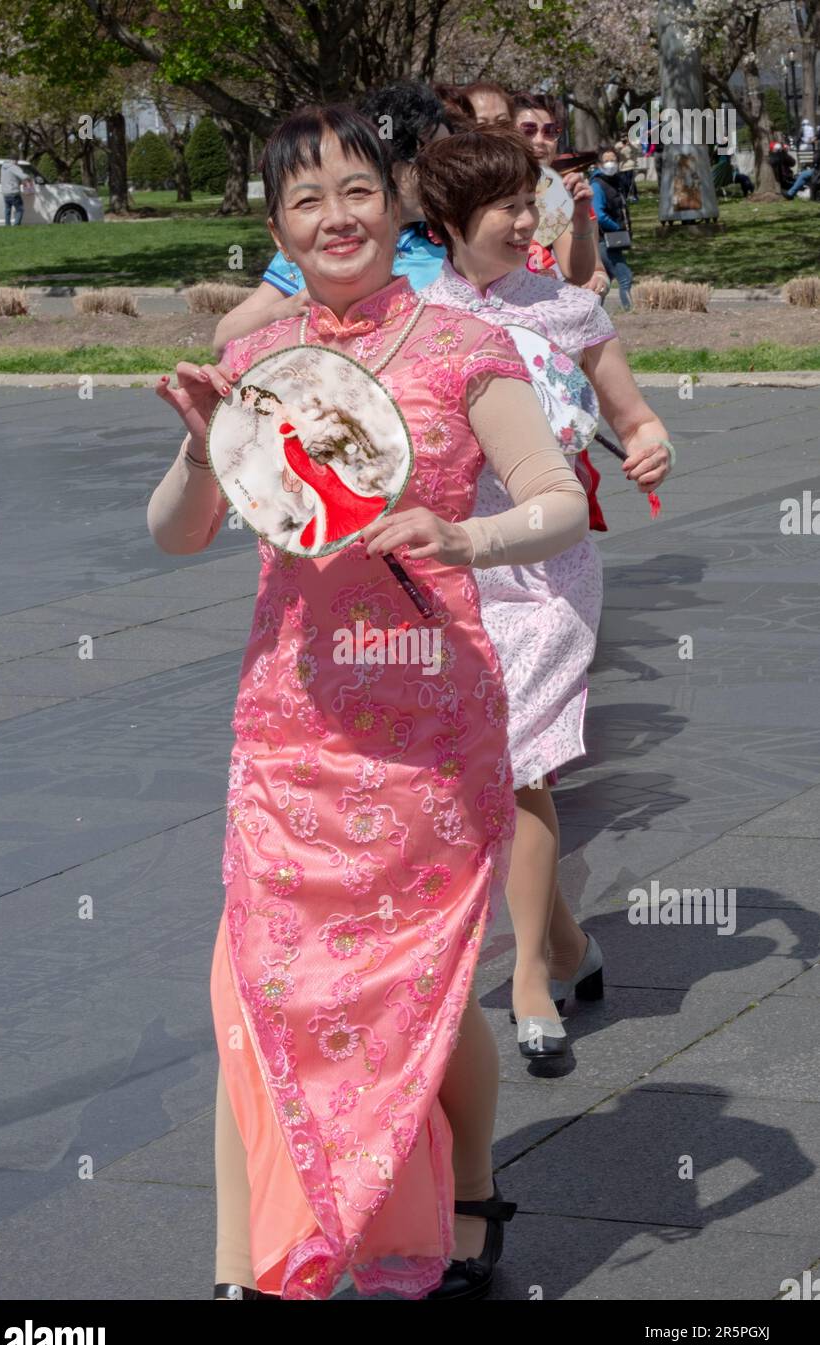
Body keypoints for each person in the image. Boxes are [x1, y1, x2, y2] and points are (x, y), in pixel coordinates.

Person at [148, 103, 590, 1300]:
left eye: (355, 190)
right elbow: (180, 531)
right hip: (290, 722)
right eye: (305, 201)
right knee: (251, 986)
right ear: (279, 229)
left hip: (428, 728)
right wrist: (198, 448)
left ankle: (464, 1198)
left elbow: (554, 497)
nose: (334, 216)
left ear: (393, 204)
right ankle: (250, 1265)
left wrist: (465, 530)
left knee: (426, 997)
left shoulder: (459, 347)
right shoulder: (258, 362)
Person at [414, 124, 673, 1059]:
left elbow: (633, 415)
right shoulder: (413, 317)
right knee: (479, 774)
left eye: (534, 202)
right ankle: (567, 941)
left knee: (523, 761)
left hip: (546, 566)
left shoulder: (567, 309)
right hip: (448, 567)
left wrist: (651, 442)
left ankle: (525, 976)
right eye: (508, 207)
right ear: (447, 220)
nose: (529, 221)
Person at [212, 81, 450, 354]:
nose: (450, 173)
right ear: (389, 165)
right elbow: (223, 338)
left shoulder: (458, 246)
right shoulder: (307, 252)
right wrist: (284, 312)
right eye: (433, 159)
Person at [512, 90, 608, 296]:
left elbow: (587, 272)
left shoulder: (566, 196)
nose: (540, 140)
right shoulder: (484, 192)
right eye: (528, 130)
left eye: (550, 131)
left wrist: (599, 280)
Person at [590, 145, 633, 310]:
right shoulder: (597, 185)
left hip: (611, 241)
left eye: (613, 160)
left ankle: (594, 314)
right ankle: (630, 311)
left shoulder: (615, 182)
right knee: (625, 277)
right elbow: (599, 215)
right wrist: (617, 227)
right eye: (606, 160)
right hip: (604, 241)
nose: (610, 164)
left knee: (603, 283)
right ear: (599, 164)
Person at [0, 157, 31, 226]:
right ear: (14, 160)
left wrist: (18, 181)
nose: (17, 163)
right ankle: (16, 226)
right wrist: (29, 177)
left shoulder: (3, 167)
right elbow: (23, 176)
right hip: (13, 192)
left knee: (7, 210)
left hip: (5, 192)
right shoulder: (13, 167)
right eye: (17, 161)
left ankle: (7, 225)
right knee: (20, 209)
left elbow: (11, 177)